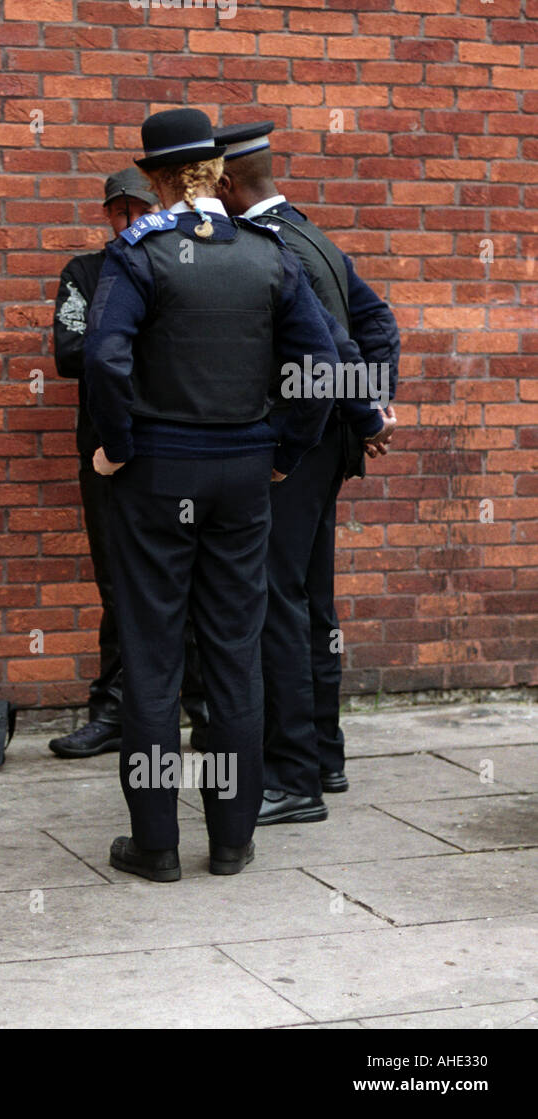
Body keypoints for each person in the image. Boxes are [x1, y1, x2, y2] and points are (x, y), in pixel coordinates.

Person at [82, 108, 338, 881]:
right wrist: (287, 449)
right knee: (234, 653)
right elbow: (321, 361)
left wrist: (118, 447)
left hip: (157, 474)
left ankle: (156, 845)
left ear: (159, 179)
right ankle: (231, 839)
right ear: (214, 176)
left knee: (156, 658)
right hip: (243, 474)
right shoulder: (267, 256)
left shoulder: (139, 254)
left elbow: (102, 358)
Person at [214, 121, 399, 824]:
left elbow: (331, 349)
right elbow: (379, 325)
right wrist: (372, 409)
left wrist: (367, 414)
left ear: (229, 185)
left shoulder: (273, 246)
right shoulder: (311, 232)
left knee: (277, 604)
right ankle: (324, 753)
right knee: (312, 601)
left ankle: (293, 778)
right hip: (327, 447)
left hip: (296, 448)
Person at [49, 166, 210, 759]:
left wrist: (115, 340)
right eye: (118, 210)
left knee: (196, 578)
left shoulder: (187, 266)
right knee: (117, 583)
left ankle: (205, 711)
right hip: (107, 451)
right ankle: (114, 710)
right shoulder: (86, 273)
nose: (129, 219)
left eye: (139, 208)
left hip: (181, 448)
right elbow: (72, 353)